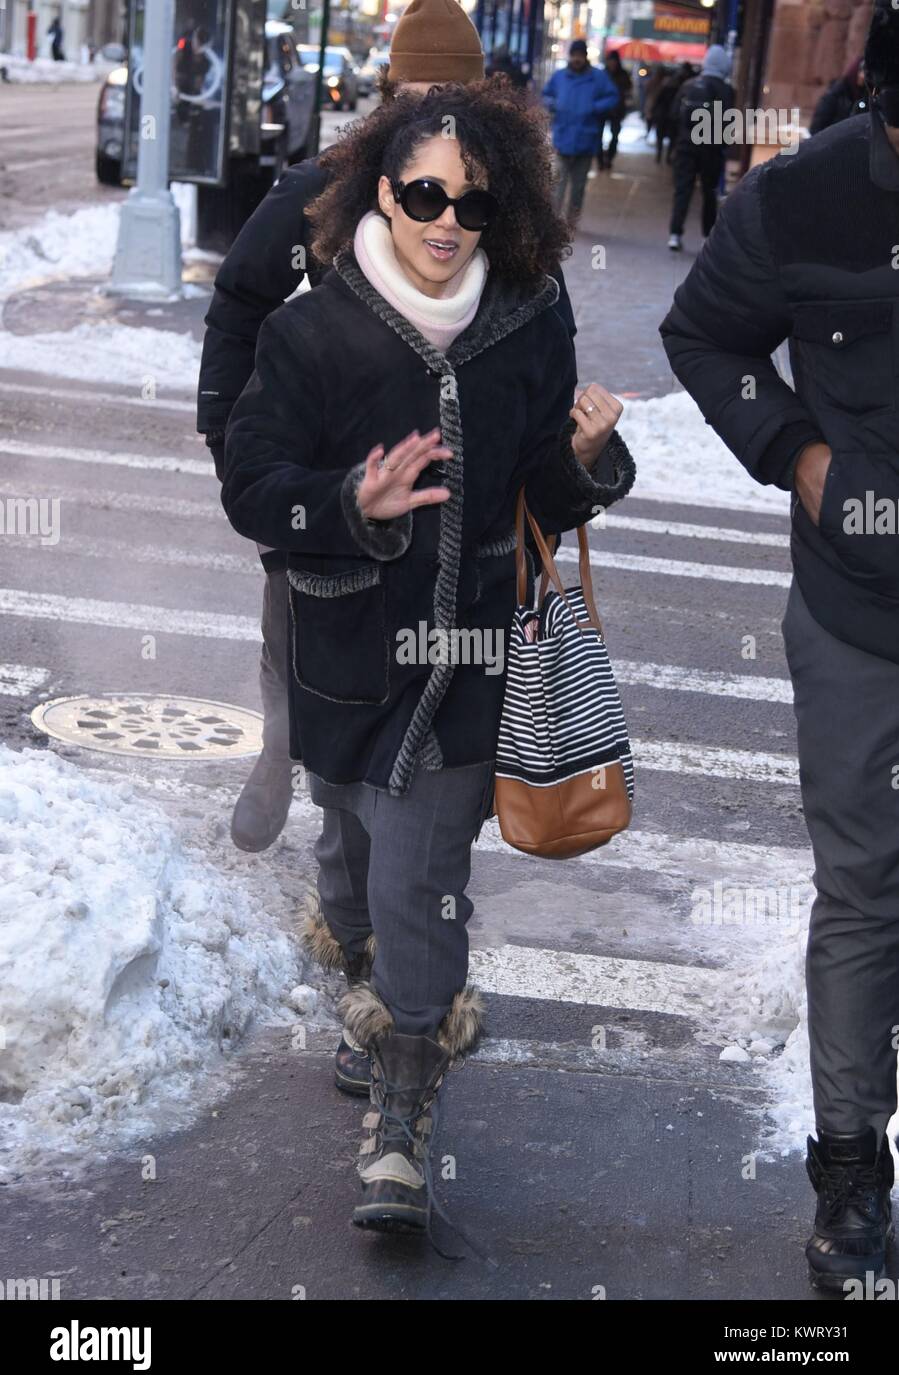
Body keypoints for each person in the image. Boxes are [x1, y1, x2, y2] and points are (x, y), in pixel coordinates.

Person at [221, 81, 636, 1237]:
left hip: (466, 667)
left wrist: (589, 457)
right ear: (381, 194)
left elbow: (548, 495)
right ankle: (357, 954)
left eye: (470, 202)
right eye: (422, 195)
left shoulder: (528, 315)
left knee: (419, 879)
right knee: (352, 847)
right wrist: (348, 501)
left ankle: (399, 1124)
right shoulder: (312, 329)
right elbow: (250, 485)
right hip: (342, 659)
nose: (446, 221)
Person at [197, 0, 578, 857]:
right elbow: (238, 308)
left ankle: (387, 878)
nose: (434, 104)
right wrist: (235, 441)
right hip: (330, 476)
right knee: (304, 641)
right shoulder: (318, 188)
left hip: (453, 500)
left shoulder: (496, 201)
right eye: (418, 85)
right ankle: (283, 748)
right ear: (387, 86)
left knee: (423, 701)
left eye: (453, 87)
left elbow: (547, 332)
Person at [660, 0, 899, 1294]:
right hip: (857, 607)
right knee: (864, 891)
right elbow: (699, 332)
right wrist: (799, 456)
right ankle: (850, 1175)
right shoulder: (802, 202)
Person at [541, 39, 620, 224]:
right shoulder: (560, 76)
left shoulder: (598, 77)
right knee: (557, 185)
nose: (577, 59)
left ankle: (571, 223)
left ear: (585, 57)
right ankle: (553, 222)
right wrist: (554, 105)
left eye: (580, 55)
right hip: (562, 138)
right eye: (574, 55)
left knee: (578, 187)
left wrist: (594, 107)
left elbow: (613, 96)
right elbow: (546, 94)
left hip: (586, 140)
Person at [667, 46, 735, 251]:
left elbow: (673, 115)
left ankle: (675, 234)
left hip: (686, 147)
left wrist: (678, 141)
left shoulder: (689, 85)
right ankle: (707, 236)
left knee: (682, 191)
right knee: (709, 192)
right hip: (711, 149)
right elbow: (728, 121)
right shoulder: (726, 90)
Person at [810, 56, 869, 135]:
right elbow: (818, 125)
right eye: (861, 72)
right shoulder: (837, 93)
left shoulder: (866, 97)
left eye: (866, 73)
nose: (862, 76)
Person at [596, 49, 632, 171]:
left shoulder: (623, 74)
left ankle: (609, 159)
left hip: (617, 110)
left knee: (615, 136)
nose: (612, 63)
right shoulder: (602, 74)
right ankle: (600, 160)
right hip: (602, 110)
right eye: (610, 60)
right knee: (598, 136)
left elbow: (628, 90)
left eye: (614, 60)